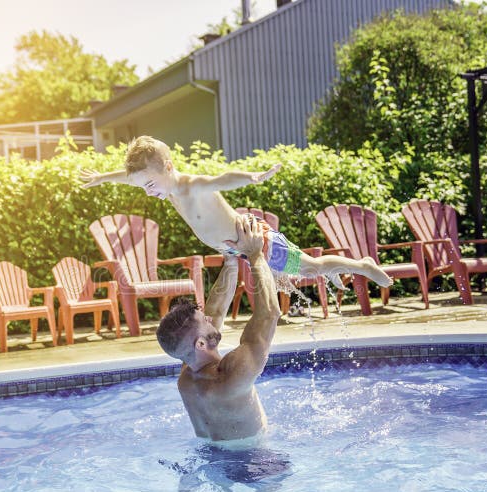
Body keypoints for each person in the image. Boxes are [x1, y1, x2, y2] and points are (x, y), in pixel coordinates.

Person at [80, 135, 392, 291]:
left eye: (149, 184)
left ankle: (361, 265)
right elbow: (128, 178)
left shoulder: (190, 186)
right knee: (289, 281)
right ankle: (331, 270)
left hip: (254, 239)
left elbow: (222, 179)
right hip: (237, 249)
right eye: (143, 187)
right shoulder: (165, 187)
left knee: (310, 268)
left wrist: (251, 177)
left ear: (170, 167)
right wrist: (102, 178)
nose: (148, 192)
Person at [155, 214, 280, 441]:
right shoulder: (232, 376)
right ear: (201, 344)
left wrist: (231, 261)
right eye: (205, 321)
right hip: (252, 459)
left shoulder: (186, 378)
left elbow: (216, 309)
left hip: (210, 455)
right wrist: (255, 255)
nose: (210, 318)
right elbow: (269, 314)